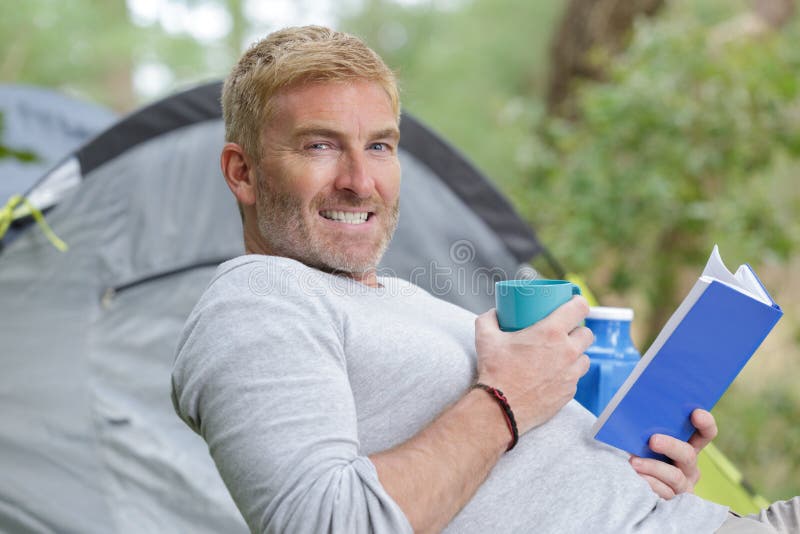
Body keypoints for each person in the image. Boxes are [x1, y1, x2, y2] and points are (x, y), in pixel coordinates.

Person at [171, 25, 799, 533]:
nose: (361, 181)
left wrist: (637, 472)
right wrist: (507, 398)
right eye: (319, 146)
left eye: (381, 146)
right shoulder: (256, 302)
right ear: (243, 173)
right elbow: (328, 522)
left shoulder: (396, 298)